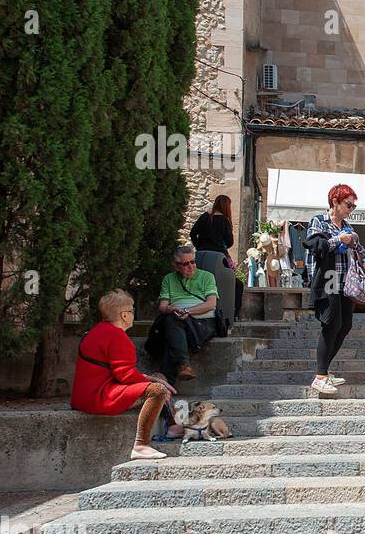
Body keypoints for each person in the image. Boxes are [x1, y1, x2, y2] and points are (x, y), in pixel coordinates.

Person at [73, 289, 177, 460]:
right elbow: (126, 376)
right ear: (123, 315)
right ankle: (141, 445)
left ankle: (173, 426)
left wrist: (152, 378)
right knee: (158, 390)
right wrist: (154, 382)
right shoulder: (118, 336)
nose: (132, 314)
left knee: (159, 379)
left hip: (84, 396)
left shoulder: (95, 332)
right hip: (99, 397)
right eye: (131, 310)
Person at [304, 183, 365, 396]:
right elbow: (315, 246)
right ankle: (320, 376)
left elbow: (358, 249)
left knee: (344, 325)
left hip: (347, 282)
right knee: (331, 324)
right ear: (334, 201)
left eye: (353, 207)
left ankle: (325, 369)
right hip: (328, 278)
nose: (350, 210)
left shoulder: (349, 228)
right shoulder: (319, 222)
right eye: (348, 205)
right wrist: (338, 239)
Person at [151, 244, 219, 384]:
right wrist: (172, 309)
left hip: (202, 322)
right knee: (173, 321)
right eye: (185, 264)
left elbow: (211, 304)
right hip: (177, 319)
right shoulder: (169, 279)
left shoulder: (207, 277)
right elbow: (163, 306)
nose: (191, 266)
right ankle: (181, 368)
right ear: (176, 266)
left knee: (173, 328)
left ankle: (167, 381)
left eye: (193, 262)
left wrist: (188, 311)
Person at [190, 194, 242, 318]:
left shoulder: (204, 217)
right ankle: (234, 313)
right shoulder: (224, 220)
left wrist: (199, 247)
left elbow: (193, 233)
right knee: (237, 284)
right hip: (219, 258)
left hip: (201, 257)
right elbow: (230, 243)